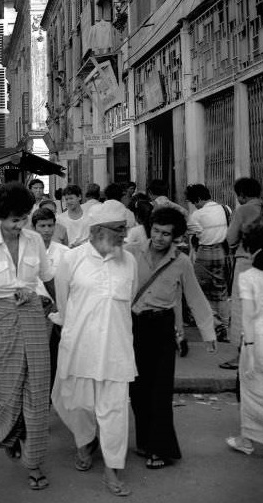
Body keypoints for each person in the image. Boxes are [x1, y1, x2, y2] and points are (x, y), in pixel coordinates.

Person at [0, 182, 56, 491]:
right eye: (14, 220)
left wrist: (59, 313)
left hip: (33, 316)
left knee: (38, 387)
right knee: (9, 385)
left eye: (24, 219)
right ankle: (10, 436)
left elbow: (48, 279)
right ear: (0, 216)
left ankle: (35, 462)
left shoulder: (34, 241)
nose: (20, 226)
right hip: (2, 319)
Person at [51, 202, 138, 497]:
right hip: (80, 346)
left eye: (125, 229)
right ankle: (84, 443)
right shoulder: (72, 259)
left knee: (115, 410)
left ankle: (113, 468)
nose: (124, 236)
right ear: (98, 231)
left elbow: (131, 301)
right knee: (77, 403)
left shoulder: (130, 262)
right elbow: (63, 303)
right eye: (119, 230)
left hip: (116, 349)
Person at [127, 207, 217, 470]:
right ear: (150, 228)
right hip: (132, 326)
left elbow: (195, 296)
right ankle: (145, 442)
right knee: (138, 390)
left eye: (167, 234)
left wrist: (207, 332)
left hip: (162, 328)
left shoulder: (181, 261)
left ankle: (160, 449)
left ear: (176, 236)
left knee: (161, 391)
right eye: (156, 230)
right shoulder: (131, 252)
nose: (159, 237)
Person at [226, 224, 263, 455]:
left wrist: (250, 350)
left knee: (253, 394)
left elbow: (248, 318)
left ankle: (247, 441)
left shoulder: (248, 277)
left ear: (249, 249)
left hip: (258, 341)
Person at [222, 177, 263, 370]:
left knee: (241, 308)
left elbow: (231, 237)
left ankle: (241, 355)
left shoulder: (242, 210)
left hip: (246, 261)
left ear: (242, 195)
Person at [185, 184, 232, 343]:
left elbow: (192, 233)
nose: (195, 205)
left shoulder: (197, 215)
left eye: (194, 202)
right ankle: (224, 326)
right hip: (222, 253)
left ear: (198, 199)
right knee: (221, 290)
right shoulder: (226, 209)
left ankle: (216, 323)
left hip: (205, 253)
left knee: (197, 290)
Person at [32, 206, 69, 388]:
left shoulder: (63, 252)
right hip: (33, 308)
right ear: (34, 228)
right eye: (42, 226)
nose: (47, 230)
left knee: (54, 353)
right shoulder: (26, 251)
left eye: (50, 226)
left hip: (56, 309)